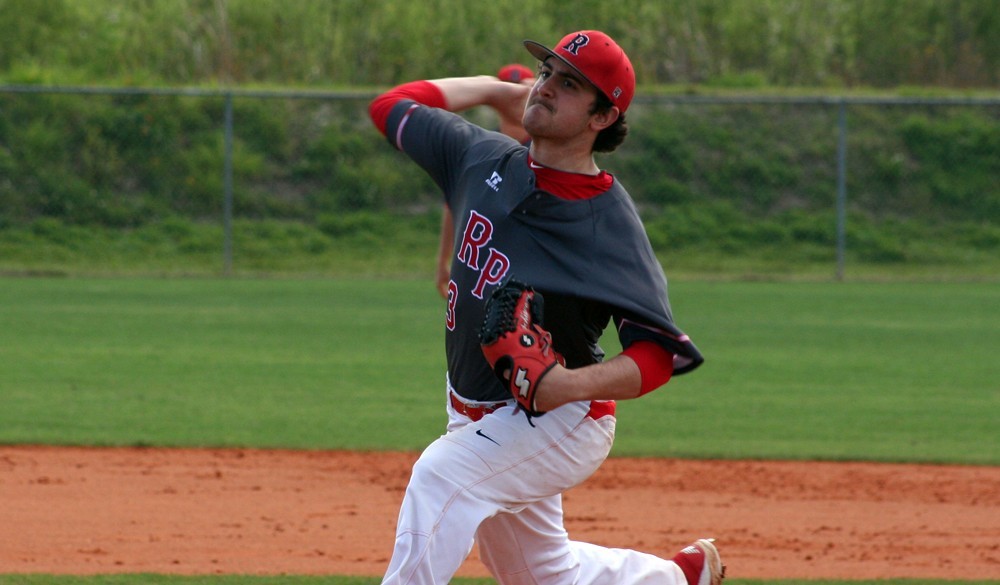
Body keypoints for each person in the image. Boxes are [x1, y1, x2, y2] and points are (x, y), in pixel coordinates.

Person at [368, 30, 724, 585]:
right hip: (472, 407)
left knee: (441, 476)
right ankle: (675, 579)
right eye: (546, 73)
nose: (546, 88)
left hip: (561, 419)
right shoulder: (478, 156)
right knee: (539, 575)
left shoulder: (605, 221)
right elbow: (392, 106)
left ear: (602, 117)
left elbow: (657, 357)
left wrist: (565, 386)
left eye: (569, 83)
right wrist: (491, 89)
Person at [435, 63, 536, 299]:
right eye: (508, 89)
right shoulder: (480, 148)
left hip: (532, 269)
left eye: (522, 89)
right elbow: (454, 202)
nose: (516, 96)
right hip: (483, 267)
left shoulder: (546, 152)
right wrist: (443, 261)